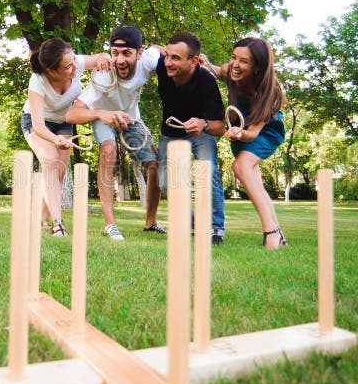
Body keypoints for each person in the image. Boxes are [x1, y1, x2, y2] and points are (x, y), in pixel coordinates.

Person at [65, 26, 164, 241]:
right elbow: (72, 114)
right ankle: (110, 225)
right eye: (115, 53)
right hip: (103, 117)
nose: (119, 60)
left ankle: (151, 223)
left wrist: (197, 59)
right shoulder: (103, 75)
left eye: (127, 53)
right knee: (108, 151)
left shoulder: (148, 61)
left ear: (139, 53)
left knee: (154, 164)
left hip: (130, 118)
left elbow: (160, 49)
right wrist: (101, 114)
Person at [22, 38, 113, 237]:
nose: (75, 69)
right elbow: (38, 125)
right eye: (68, 67)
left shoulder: (75, 62)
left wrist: (105, 57)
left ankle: (40, 220)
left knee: (60, 172)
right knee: (51, 161)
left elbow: (99, 58)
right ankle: (58, 224)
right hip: (37, 123)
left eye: (74, 62)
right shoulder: (37, 81)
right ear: (51, 71)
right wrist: (54, 140)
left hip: (63, 120)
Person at [207, 37, 288, 250]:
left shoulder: (271, 91)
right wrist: (201, 62)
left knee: (240, 166)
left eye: (243, 61)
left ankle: (270, 232)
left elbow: (252, 134)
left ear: (257, 67)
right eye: (233, 57)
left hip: (264, 132)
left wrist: (240, 134)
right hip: (239, 128)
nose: (235, 64)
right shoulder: (230, 72)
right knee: (255, 184)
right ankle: (279, 233)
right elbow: (214, 70)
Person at [156, 32, 226, 244]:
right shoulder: (161, 65)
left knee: (208, 171)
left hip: (200, 133)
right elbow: (152, 49)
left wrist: (203, 124)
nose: (168, 62)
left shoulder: (206, 81)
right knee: (166, 183)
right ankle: (194, 223)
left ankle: (215, 227)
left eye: (175, 58)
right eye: (167, 55)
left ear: (194, 61)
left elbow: (220, 127)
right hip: (170, 134)